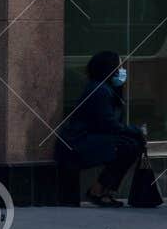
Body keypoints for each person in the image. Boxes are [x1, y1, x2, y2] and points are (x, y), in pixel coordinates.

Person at [55, 51, 146, 207]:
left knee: (130, 144)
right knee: (129, 145)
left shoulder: (104, 88)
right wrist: (137, 131)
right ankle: (98, 191)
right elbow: (108, 124)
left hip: (86, 139)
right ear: (110, 68)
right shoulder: (100, 90)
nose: (123, 70)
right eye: (119, 66)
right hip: (77, 144)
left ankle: (103, 191)